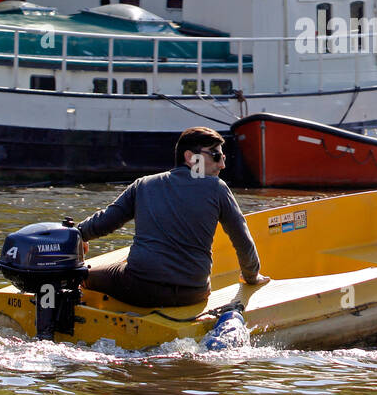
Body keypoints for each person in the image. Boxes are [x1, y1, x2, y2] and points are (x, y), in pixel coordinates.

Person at [76, 127, 269, 307]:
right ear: (190, 157)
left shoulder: (143, 185)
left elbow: (105, 221)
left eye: (223, 156)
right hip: (193, 293)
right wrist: (252, 277)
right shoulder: (218, 189)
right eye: (216, 156)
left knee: (81, 275)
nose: (223, 164)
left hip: (138, 288)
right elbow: (242, 239)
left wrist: (78, 234)